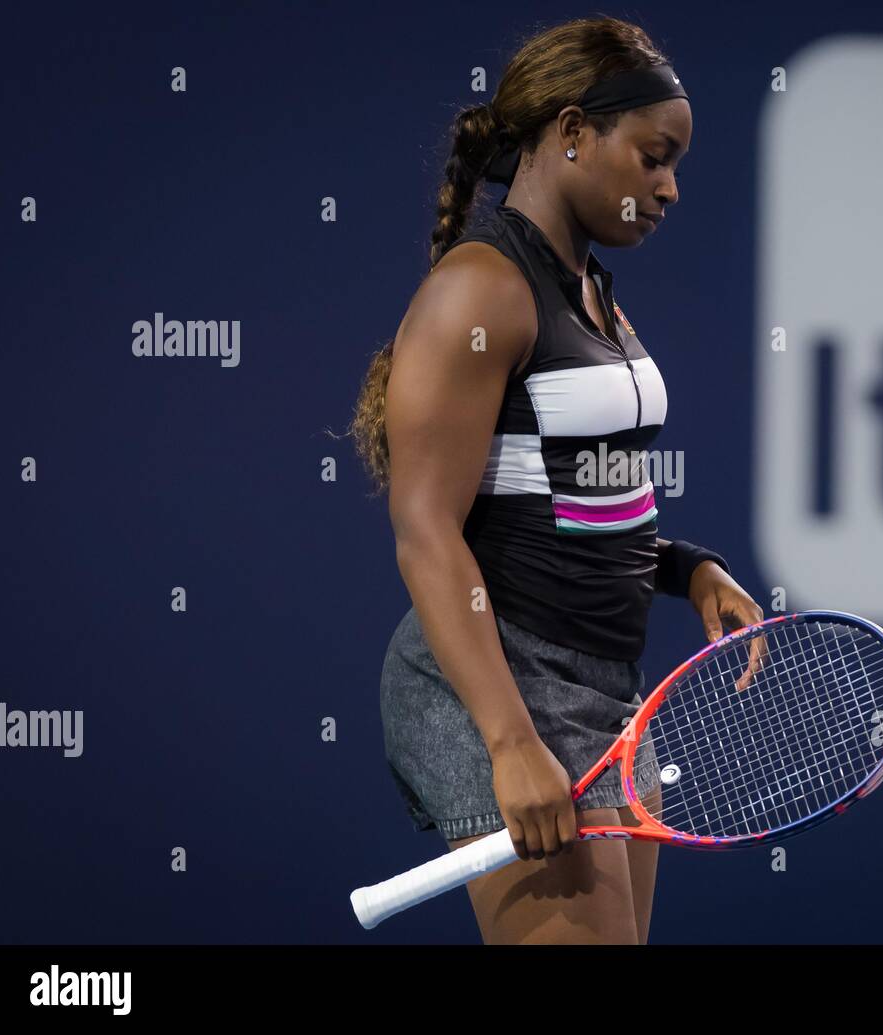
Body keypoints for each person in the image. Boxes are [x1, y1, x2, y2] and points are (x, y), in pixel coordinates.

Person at [348, 16, 762, 944]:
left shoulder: (591, 291)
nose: (670, 187)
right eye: (654, 157)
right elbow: (426, 531)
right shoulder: (483, 290)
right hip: (496, 682)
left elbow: (571, 498)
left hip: (607, 691)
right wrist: (507, 739)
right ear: (573, 132)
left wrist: (687, 568)